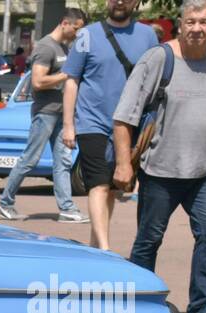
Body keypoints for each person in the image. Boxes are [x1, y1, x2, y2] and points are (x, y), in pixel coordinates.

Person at [114, 0, 206, 313]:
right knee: (148, 240)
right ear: (179, 24)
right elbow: (124, 115)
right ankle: (134, 305)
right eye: (190, 21)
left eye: (204, 22)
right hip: (159, 171)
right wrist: (123, 164)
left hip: (204, 172)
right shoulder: (159, 58)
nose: (196, 28)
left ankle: (201, 309)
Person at [63, 0, 159, 251]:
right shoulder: (85, 35)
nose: (119, 1)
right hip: (92, 122)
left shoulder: (148, 35)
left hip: (128, 126)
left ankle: (95, 244)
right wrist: (68, 125)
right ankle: (105, 248)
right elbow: (72, 81)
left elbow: (155, 81)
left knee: (114, 189)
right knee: (98, 184)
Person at [0, 9, 89, 222]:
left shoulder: (64, 47)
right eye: (76, 29)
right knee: (30, 159)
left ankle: (66, 208)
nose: (77, 34)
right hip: (45, 113)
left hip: (59, 113)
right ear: (65, 22)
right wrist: (66, 74)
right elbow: (37, 82)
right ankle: (5, 203)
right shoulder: (46, 47)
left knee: (63, 161)